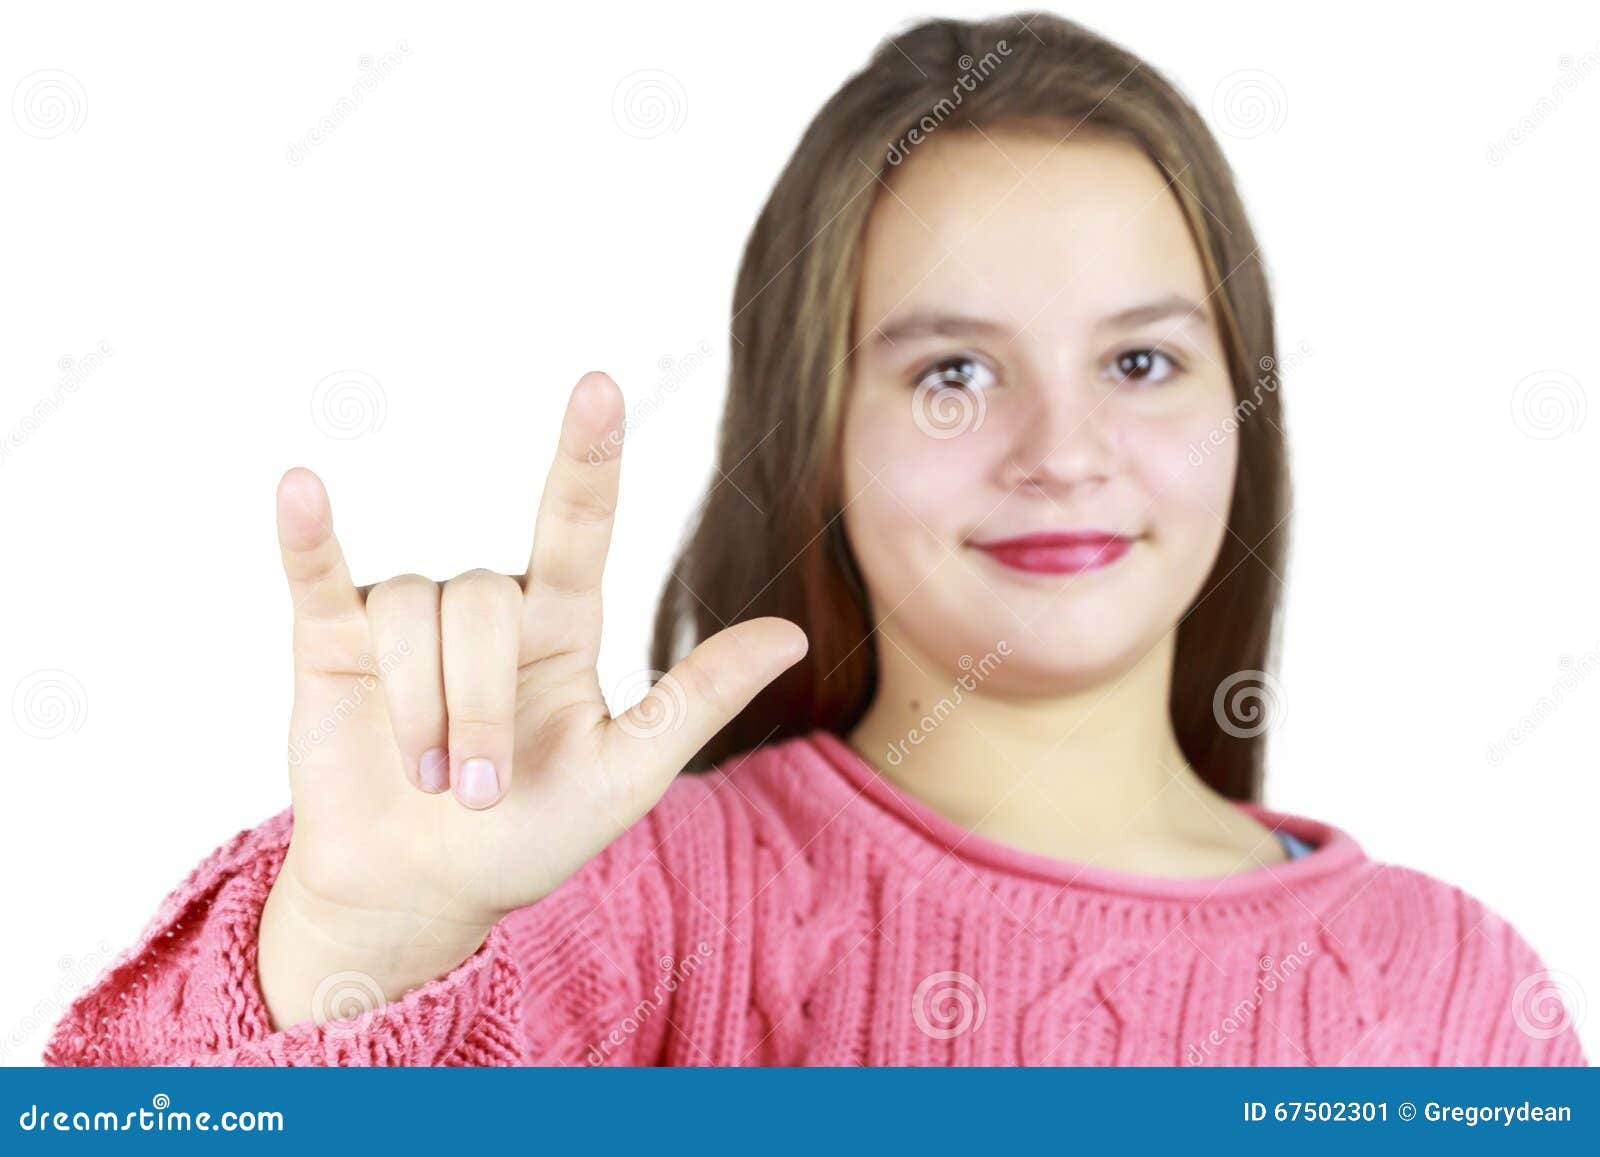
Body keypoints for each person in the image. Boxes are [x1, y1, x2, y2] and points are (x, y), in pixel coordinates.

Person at [48, 13, 1584, 1067]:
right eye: (953, 373)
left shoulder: (1453, 996)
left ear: (1242, 407)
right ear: (818, 432)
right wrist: (363, 932)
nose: (1062, 452)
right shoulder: (627, 898)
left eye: (1140, 361)